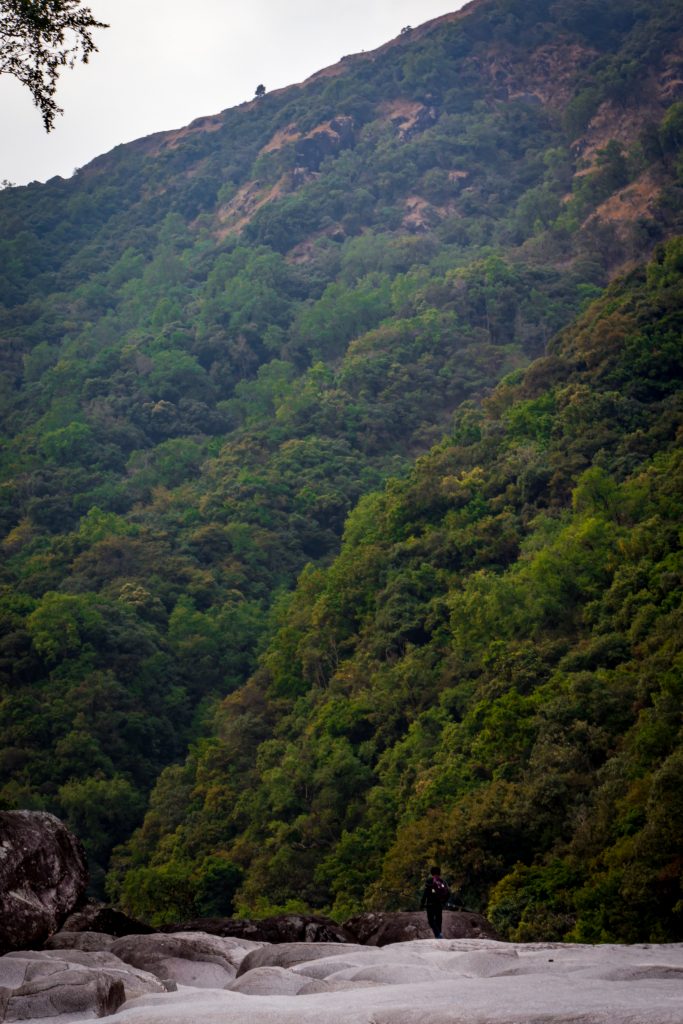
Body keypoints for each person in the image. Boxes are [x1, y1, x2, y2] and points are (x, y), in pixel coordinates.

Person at [420, 864, 449, 938]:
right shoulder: (443, 881)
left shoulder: (429, 881)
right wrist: (444, 902)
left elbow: (426, 892)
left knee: (431, 921)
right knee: (438, 920)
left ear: (431, 873)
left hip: (430, 904)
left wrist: (422, 903)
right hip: (439, 904)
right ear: (439, 873)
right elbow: (448, 893)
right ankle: (439, 935)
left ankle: (438, 935)